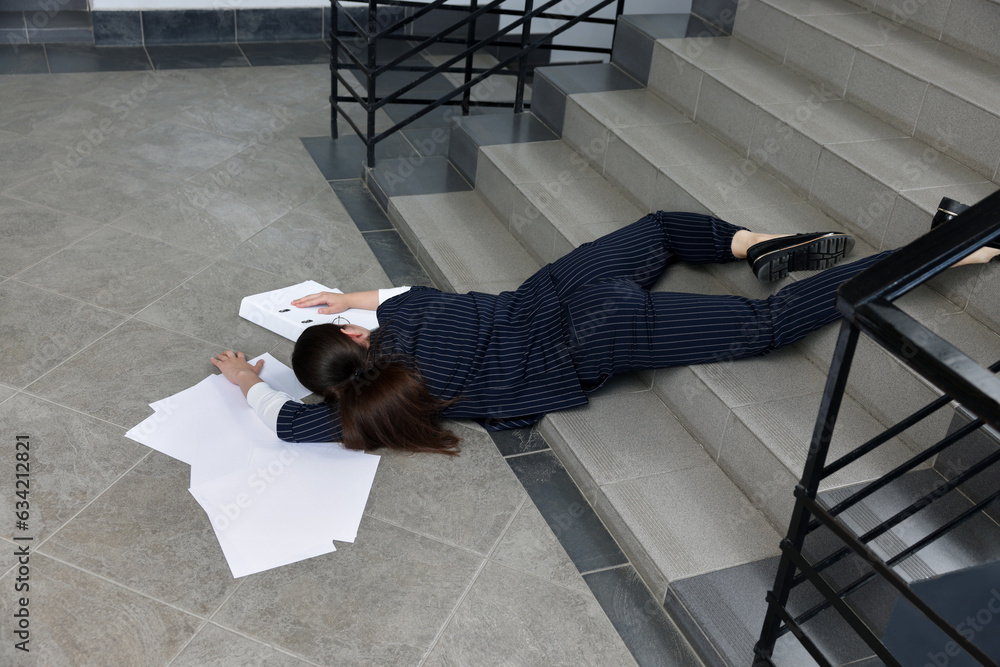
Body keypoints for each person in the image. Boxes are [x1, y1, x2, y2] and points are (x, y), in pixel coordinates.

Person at [211, 207, 999, 455]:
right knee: (661, 228)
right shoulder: (406, 314)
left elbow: (280, 423)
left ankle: (937, 253)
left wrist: (247, 380)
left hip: (594, 338)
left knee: (765, 326)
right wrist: (351, 295)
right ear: (354, 337)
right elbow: (396, 292)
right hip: (564, 293)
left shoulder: (371, 408)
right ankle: (754, 242)